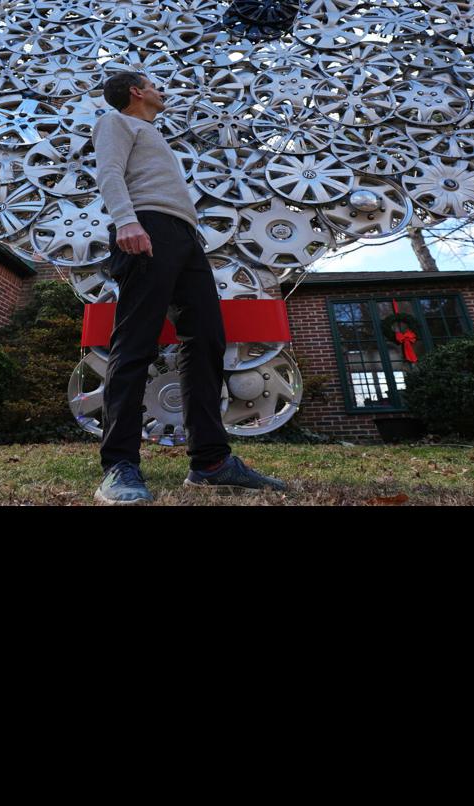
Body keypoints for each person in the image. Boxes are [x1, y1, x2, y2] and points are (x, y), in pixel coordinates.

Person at [90, 70, 288, 504]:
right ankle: (120, 466)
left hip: (185, 238)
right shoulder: (116, 123)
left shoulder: (152, 133)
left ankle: (211, 462)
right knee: (135, 342)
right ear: (136, 92)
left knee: (207, 341)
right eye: (154, 85)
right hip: (145, 229)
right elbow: (108, 172)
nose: (163, 91)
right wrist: (127, 220)